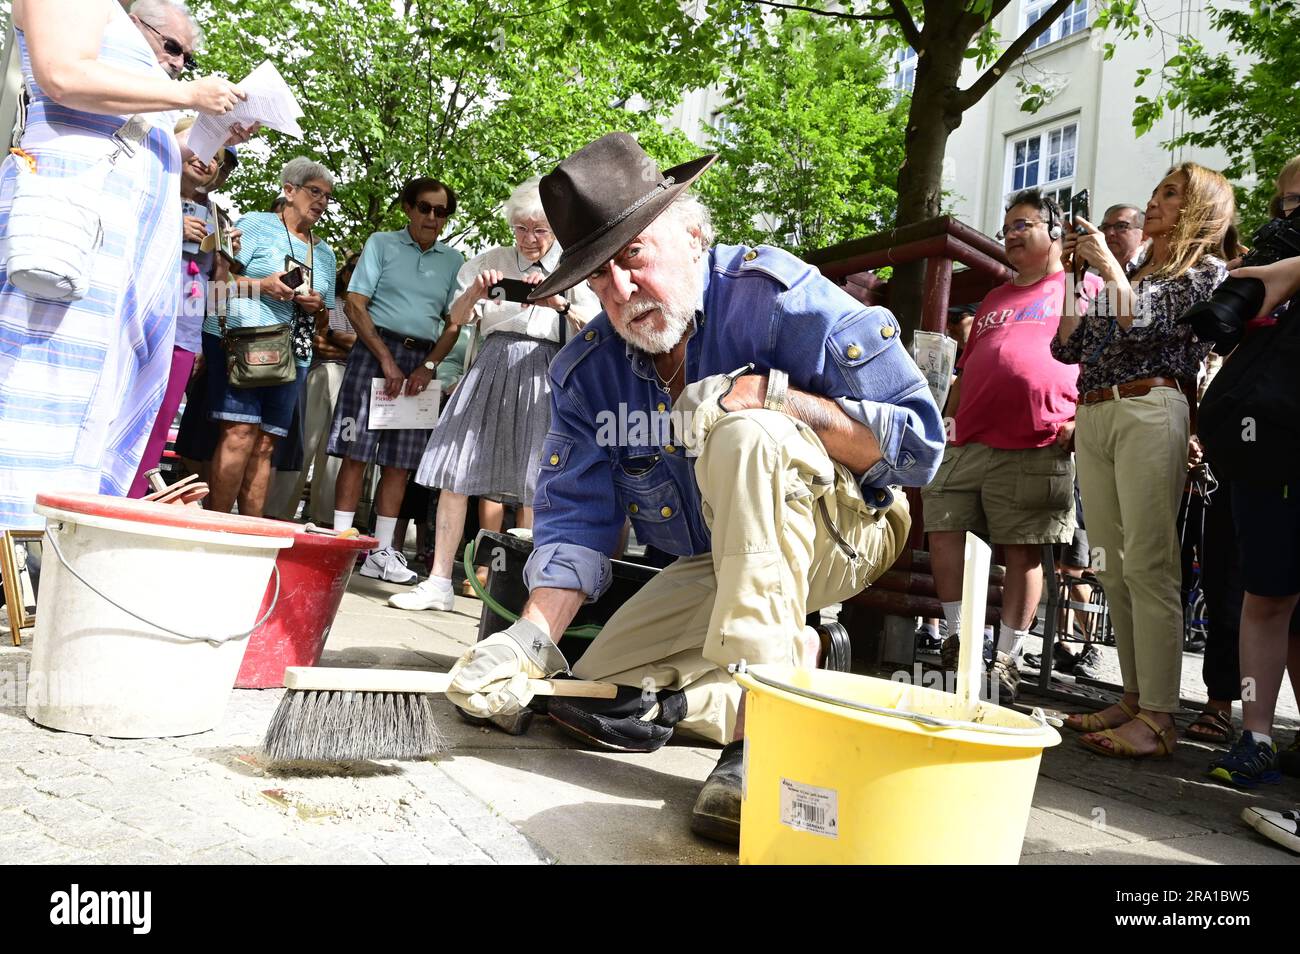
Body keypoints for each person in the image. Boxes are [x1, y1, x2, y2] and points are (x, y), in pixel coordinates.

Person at [440, 133, 943, 844]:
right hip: (717, 563)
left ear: (694, 234)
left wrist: (780, 400)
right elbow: (579, 519)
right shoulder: (590, 373)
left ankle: (760, 746)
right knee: (598, 686)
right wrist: (528, 640)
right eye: (598, 279)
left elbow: (919, 446)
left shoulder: (778, 302)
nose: (620, 292)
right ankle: (784, 663)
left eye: (633, 259)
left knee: (747, 434)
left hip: (847, 533)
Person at [0, 0, 243, 531]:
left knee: (86, 407)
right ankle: (17, 551)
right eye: (172, 49)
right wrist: (188, 94)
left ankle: (42, 552)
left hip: (111, 253)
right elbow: (62, 75)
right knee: (41, 396)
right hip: (70, 236)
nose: (178, 64)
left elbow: (134, 135)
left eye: (185, 59)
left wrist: (213, 129)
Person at [1053, 162, 1235, 758]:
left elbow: (1141, 322)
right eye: (1156, 190)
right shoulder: (1133, 270)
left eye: (1171, 193)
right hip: (1098, 411)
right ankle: (1135, 699)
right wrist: (1068, 276)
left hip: (1151, 406)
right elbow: (1067, 346)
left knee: (1150, 564)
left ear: (1200, 209)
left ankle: (1158, 716)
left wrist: (1106, 267)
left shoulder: (1204, 272)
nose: (1154, 201)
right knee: (1110, 564)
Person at [923, 189, 1100, 704]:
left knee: (1022, 549)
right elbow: (968, 368)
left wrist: (1081, 420)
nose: (1011, 235)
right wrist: (946, 423)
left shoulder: (1080, 286)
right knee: (944, 530)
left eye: (1023, 224)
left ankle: (1007, 657)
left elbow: (1104, 355)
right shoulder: (996, 299)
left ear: (1054, 229)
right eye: (1006, 229)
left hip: (1037, 439)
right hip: (967, 439)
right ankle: (960, 640)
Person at [392, 177, 599, 611]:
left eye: (539, 230)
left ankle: (528, 595)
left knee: (535, 483)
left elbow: (596, 329)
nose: (529, 239)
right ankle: (439, 583)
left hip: (547, 372)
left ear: (555, 230)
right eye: (521, 228)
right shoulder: (491, 260)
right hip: (490, 365)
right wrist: (475, 290)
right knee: (456, 470)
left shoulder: (576, 264)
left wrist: (558, 303)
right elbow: (457, 319)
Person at [1204, 155, 1300, 787]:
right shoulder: (1264, 274)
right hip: (1265, 448)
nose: (1295, 213)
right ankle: (1256, 733)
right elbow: (1218, 339)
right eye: (1289, 202)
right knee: (1267, 595)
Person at [327, 178, 464, 582]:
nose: (433, 218)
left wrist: (429, 367)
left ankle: (381, 553)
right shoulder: (381, 243)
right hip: (374, 351)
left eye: (441, 212)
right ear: (408, 208)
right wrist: (386, 359)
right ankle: (340, 545)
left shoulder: (454, 260)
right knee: (356, 453)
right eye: (425, 208)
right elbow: (354, 303)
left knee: (400, 464)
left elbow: (454, 323)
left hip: (421, 361)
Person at [203, 156, 337, 517]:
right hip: (245, 345)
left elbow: (325, 319)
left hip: (293, 354)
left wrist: (316, 305)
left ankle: (250, 535)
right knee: (239, 435)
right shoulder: (255, 225)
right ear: (289, 191)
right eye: (315, 192)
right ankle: (213, 528)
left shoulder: (325, 253)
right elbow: (217, 286)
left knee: (265, 446)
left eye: (327, 196)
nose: (322, 202)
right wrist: (263, 285)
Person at [128, 119, 239, 496]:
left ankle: (135, 499)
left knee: (160, 423)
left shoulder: (220, 218)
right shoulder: (145, 188)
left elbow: (218, 293)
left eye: (216, 157)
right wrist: (173, 225)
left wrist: (224, 262)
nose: (205, 161)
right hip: (135, 322)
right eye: (200, 148)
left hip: (184, 336)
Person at [1099, 203, 1147, 272]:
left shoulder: (1152, 267)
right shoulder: (1092, 266)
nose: (1110, 233)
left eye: (1121, 226)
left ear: (1144, 234)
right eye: (1105, 227)